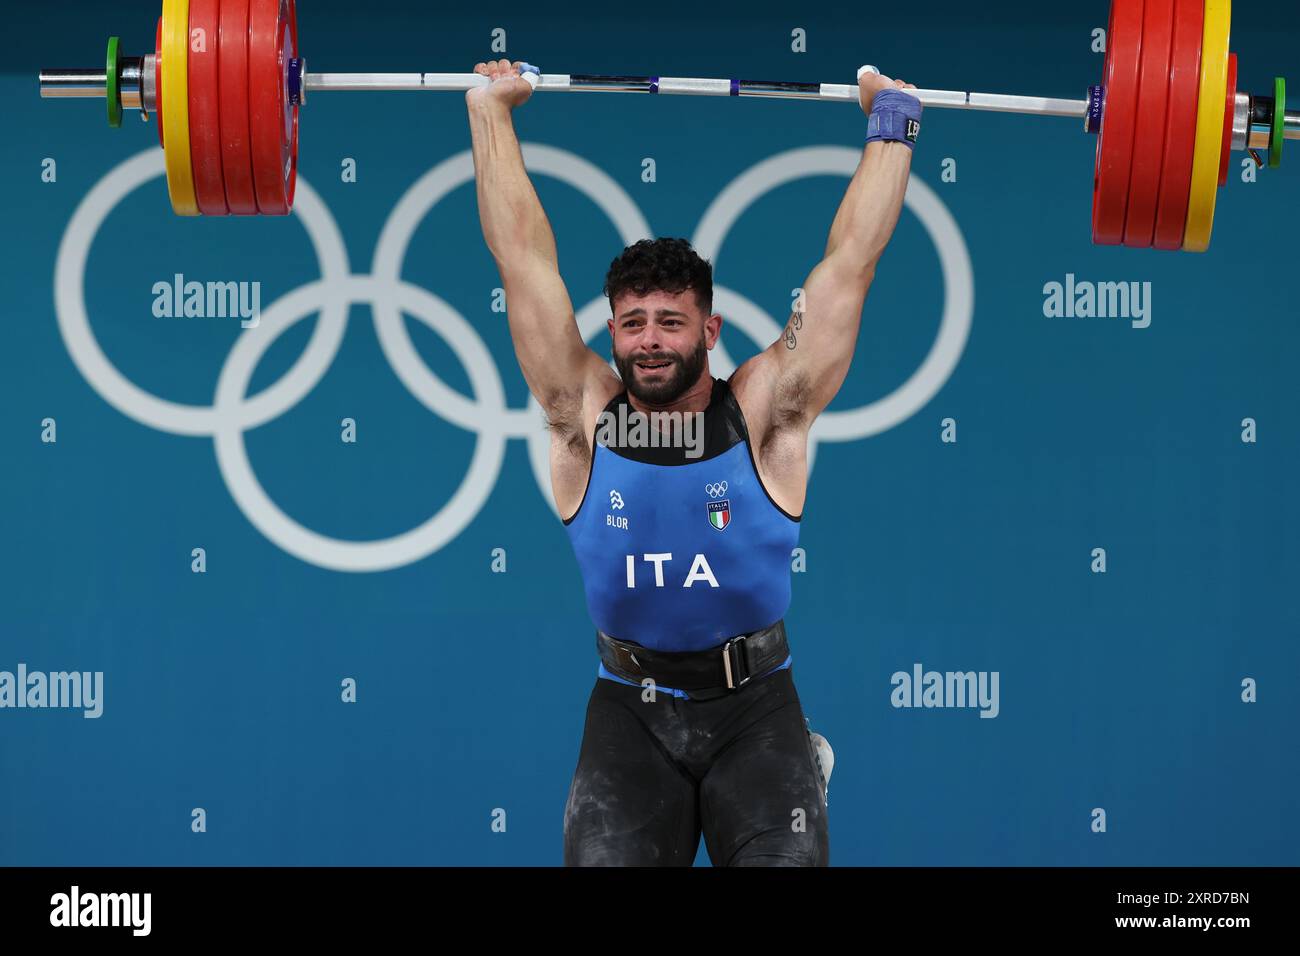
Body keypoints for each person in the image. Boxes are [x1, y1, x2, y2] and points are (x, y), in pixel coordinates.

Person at [465, 58, 920, 865]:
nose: (648, 340)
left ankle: (801, 763)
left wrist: (892, 127)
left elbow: (849, 266)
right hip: (630, 711)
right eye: (632, 323)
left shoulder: (764, 414)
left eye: (670, 322)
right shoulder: (582, 419)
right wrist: (490, 113)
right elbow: (521, 263)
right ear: (611, 333)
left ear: (709, 332)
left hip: (757, 709)